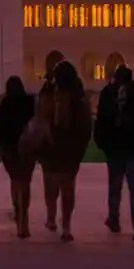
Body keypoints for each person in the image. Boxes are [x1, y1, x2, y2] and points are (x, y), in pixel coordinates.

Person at [94, 66, 134, 243]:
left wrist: (103, 142)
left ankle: (114, 218)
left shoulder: (108, 93)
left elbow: (102, 120)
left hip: (115, 147)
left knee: (115, 185)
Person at [38, 61, 92, 242]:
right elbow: (85, 126)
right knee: (68, 188)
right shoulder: (79, 97)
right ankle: (66, 226)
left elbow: (42, 119)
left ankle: (51, 217)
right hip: (70, 150)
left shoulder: (50, 93)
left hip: (52, 148)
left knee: (50, 184)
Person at [0, 75, 37, 238]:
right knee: (25, 181)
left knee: (16, 181)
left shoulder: (6, 103)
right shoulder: (30, 103)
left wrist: (2, 144)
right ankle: (24, 217)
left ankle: (19, 215)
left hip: (10, 148)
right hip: (27, 147)